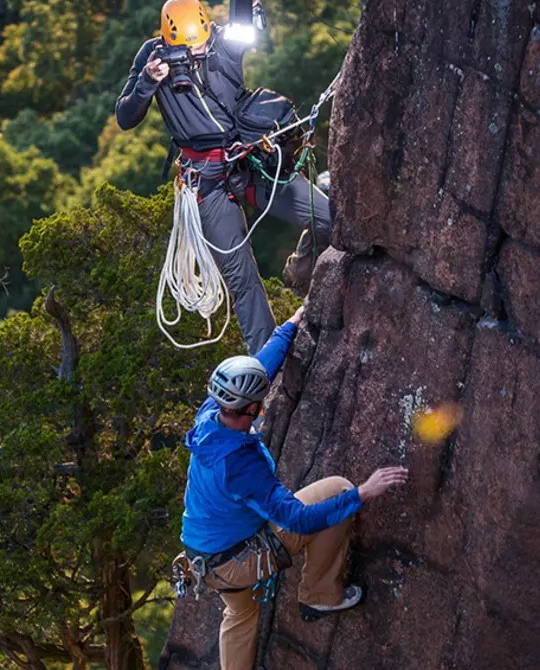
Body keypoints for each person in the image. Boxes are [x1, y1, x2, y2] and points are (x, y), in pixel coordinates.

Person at [181, 305, 409, 670]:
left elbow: (259, 371)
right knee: (337, 490)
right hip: (237, 560)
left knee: (240, 615)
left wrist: (288, 329)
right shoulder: (240, 465)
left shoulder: (210, 416)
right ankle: (320, 594)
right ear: (253, 410)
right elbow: (297, 520)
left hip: (205, 559)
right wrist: (362, 493)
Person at [116, 0, 332, 354]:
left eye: (202, 43)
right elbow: (125, 117)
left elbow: (244, 15)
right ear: (170, 40)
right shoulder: (152, 58)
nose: (198, 53)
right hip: (206, 180)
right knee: (242, 276)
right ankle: (267, 360)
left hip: (250, 157)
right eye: (190, 49)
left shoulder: (223, 39)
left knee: (328, 217)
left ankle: (302, 270)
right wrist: (147, 83)